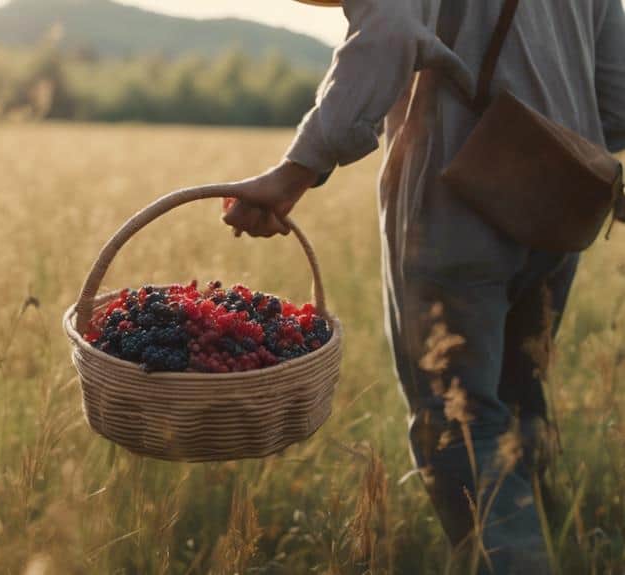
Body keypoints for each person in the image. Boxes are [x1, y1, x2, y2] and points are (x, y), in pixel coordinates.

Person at [220, 0, 625, 572]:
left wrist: (295, 171)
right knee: (518, 408)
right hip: (560, 197)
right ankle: (562, 545)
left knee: (461, 427)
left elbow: (388, 30)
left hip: (454, 201)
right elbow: (615, 98)